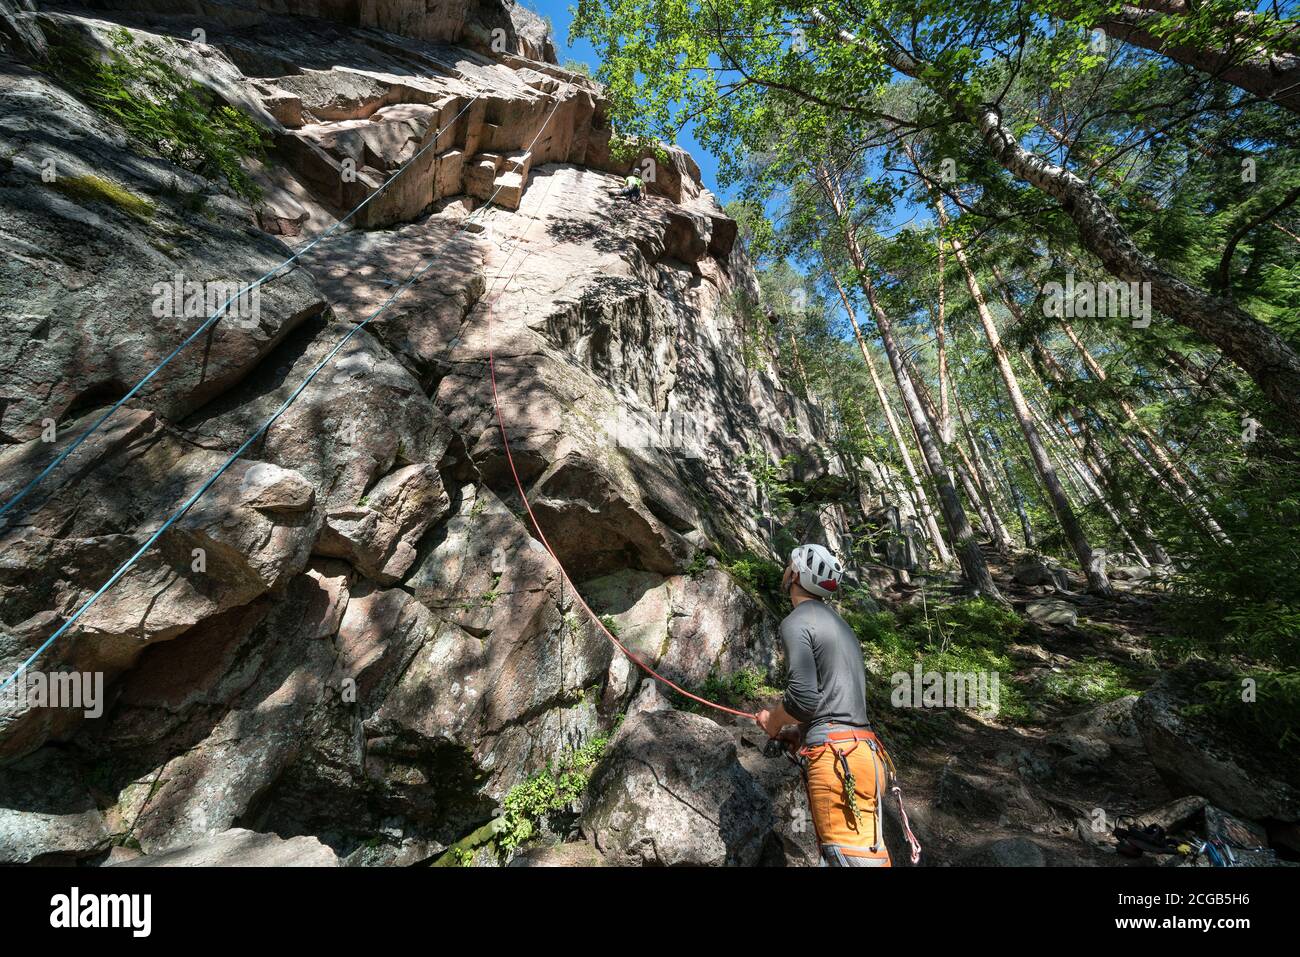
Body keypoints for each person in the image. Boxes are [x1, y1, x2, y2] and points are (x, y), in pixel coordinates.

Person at [756, 543, 894, 867]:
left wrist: (773, 722)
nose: (786, 571)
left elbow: (804, 699)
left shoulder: (796, 622)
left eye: (790, 565)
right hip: (865, 757)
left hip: (836, 763)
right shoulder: (840, 626)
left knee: (849, 860)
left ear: (796, 574)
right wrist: (800, 735)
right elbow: (837, 702)